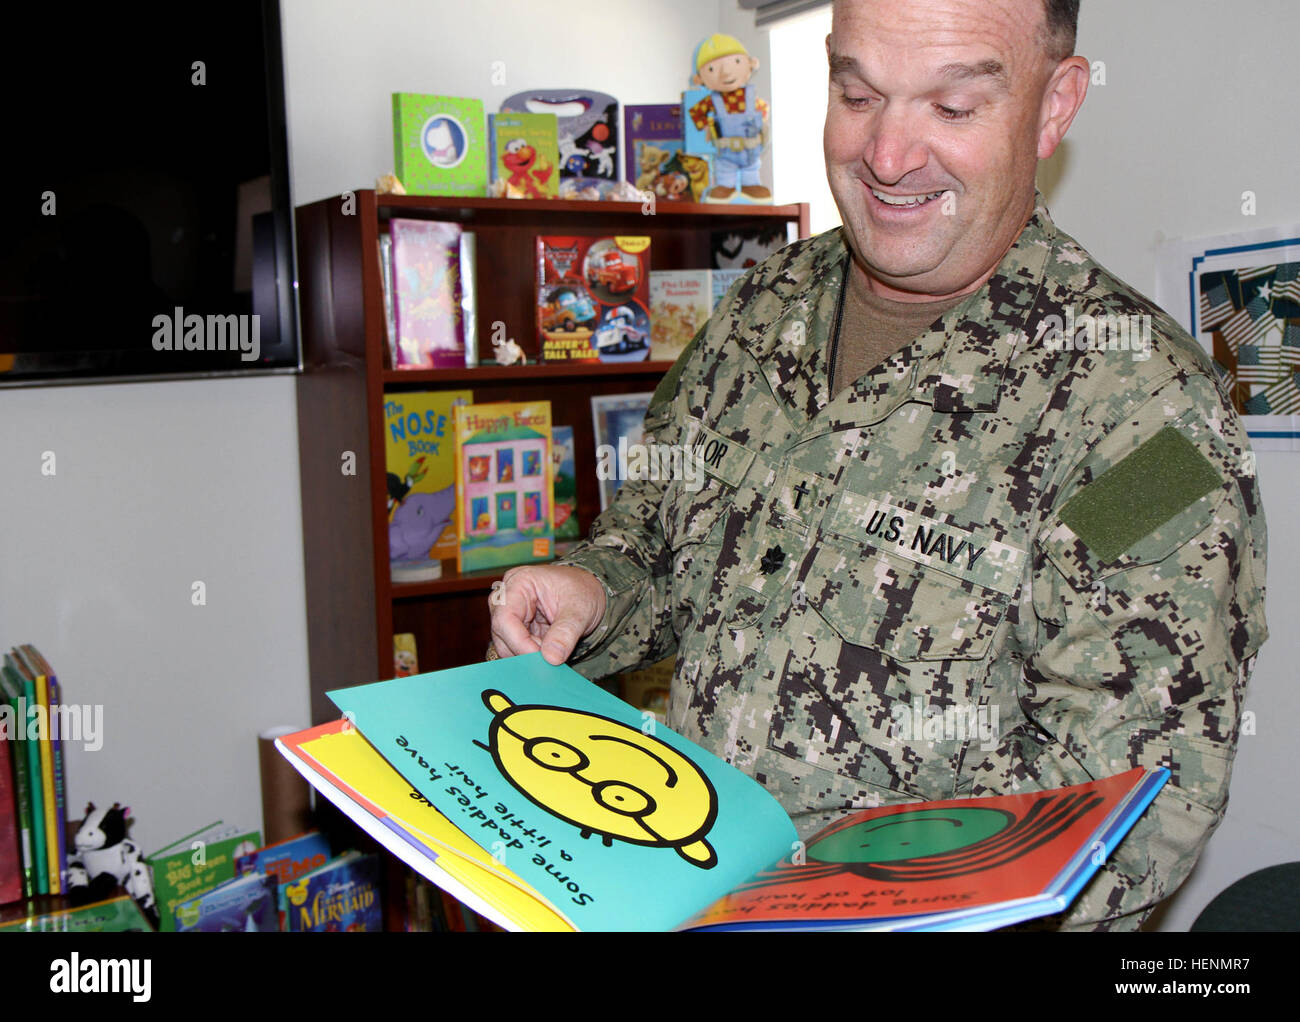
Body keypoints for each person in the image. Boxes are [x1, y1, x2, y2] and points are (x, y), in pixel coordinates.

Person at [489, 0, 1268, 931]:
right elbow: (656, 536)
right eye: (857, 94)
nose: (889, 157)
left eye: (952, 109)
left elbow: (1136, 787)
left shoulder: (1153, 421)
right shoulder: (762, 305)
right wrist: (592, 589)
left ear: (1056, 104)